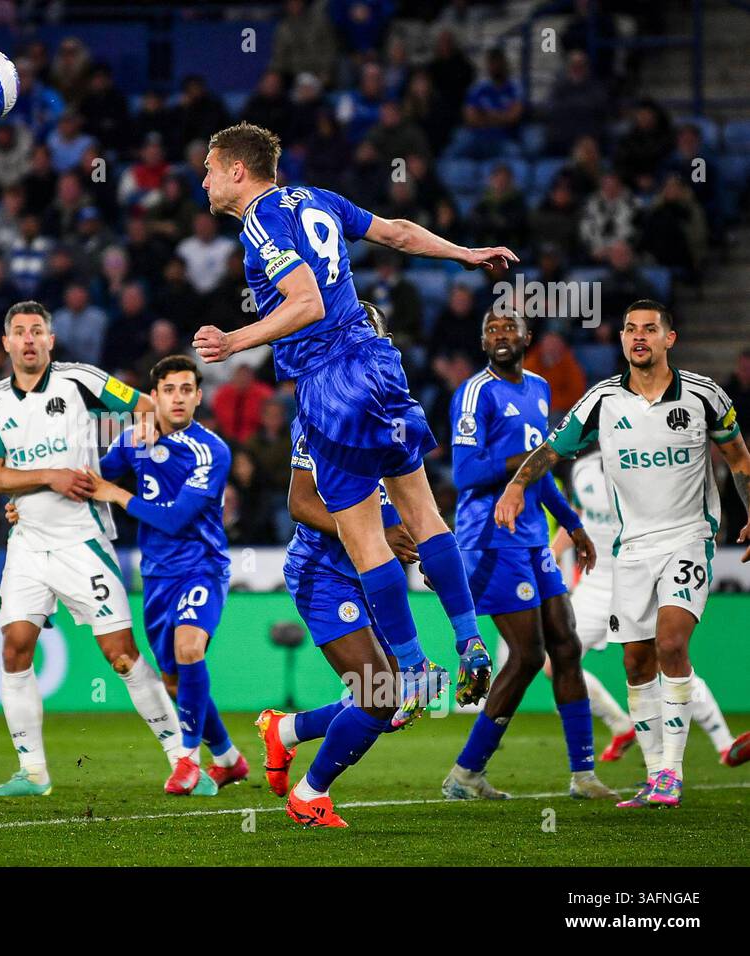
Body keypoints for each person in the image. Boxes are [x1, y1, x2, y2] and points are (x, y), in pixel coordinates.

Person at [192, 122, 516, 726]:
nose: (203, 179)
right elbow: (395, 233)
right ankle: (470, 639)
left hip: (330, 381)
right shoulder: (316, 198)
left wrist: (235, 340)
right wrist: (465, 254)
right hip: (378, 362)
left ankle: (416, 668)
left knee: (365, 537)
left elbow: (307, 302)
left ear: (239, 170)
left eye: (210, 168)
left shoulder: (262, 220)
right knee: (423, 512)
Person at [495, 300, 750, 807]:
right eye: (631, 329)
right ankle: (656, 775)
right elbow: (552, 450)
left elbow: (738, 457)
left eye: (650, 329)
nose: (639, 337)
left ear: (668, 339)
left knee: (671, 643)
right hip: (631, 547)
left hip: (687, 536)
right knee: (636, 663)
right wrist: (515, 487)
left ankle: (673, 775)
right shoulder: (601, 402)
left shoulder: (705, 397)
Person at [0, 300, 183, 798]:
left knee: (122, 656)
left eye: (37, 331)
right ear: (5, 343)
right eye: (19, 332)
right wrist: (49, 477)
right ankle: (33, 773)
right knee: (14, 648)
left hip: (81, 541)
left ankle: (181, 760)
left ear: (51, 340)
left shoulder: (79, 381)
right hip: (26, 543)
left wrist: (112, 471)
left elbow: (148, 410)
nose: (28, 339)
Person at [256, 300, 424, 828]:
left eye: (377, 340)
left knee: (404, 702)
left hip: (371, 577)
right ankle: (309, 795)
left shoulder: (396, 419)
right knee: (382, 696)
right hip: (324, 574)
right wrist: (377, 531)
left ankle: (285, 731)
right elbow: (301, 504)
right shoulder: (322, 418)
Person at [440, 310, 615, 801]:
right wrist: (534, 457)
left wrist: (574, 524)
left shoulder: (539, 388)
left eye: (509, 329)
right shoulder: (474, 394)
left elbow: (541, 473)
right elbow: (465, 474)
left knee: (566, 645)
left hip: (535, 537)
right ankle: (466, 773)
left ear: (527, 338)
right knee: (526, 654)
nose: (501, 336)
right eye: (492, 330)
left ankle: (583, 775)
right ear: (482, 342)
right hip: (491, 538)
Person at [88, 355, 249, 795]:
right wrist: (26, 505)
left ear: (198, 396)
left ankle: (188, 761)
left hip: (201, 566)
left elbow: (177, 519)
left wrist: (118, 495)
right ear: (153, 396)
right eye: (168, 390)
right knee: (176, 680)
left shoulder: (212, 450)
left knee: (190, 648)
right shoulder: (131, 440)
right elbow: (90, 481)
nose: (177, 398)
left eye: (186, 390)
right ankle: (230, 759)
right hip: (157, 576)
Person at [550, 447, 750, 767]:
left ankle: (724, 744)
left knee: (664, 663)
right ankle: (621, 725)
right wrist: (553, 553)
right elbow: (576, 517)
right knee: (554, 661)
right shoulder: (582, 469)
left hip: (634, 580)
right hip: (594, 585)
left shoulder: (645, 466)